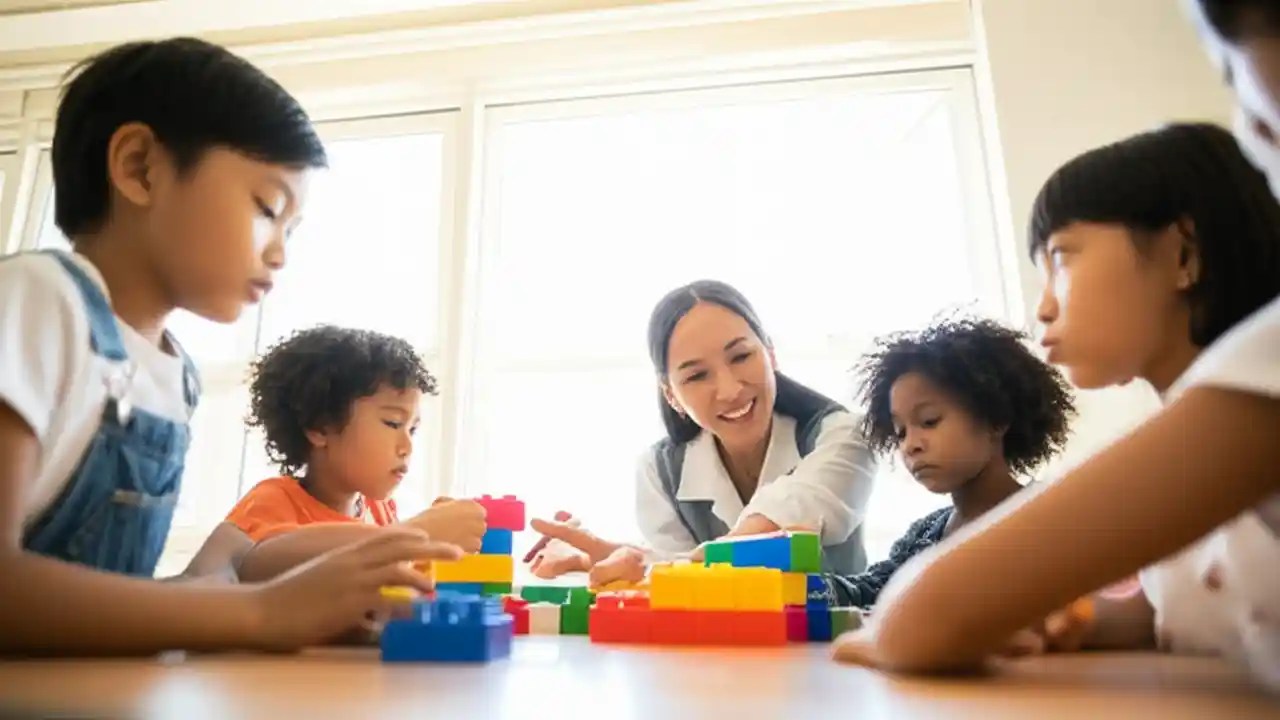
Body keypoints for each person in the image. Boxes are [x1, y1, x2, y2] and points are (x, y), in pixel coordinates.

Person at [0, 38, 457, 656]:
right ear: (139, 167)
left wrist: (309, 613)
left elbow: (119, 600)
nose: (280, 253)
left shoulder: (173, 374)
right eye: (267, 208)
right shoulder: (40, 298)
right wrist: (263, 612)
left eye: (292, 230)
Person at [830, 118, 1280, 689]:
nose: (1043, 307)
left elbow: (919, 618)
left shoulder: (1264, 378)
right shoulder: (1202, 432)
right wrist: (1084, 623)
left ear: (1182, 255)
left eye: (1061, 258)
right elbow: (1163, 610)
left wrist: (905, 625)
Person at [528, 280, 877, 580]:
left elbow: (769, 531)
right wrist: (600, 556)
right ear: (671, 395)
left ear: (770, 354)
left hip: (834, 651)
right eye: (696, 375)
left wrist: (644, 564)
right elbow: (679, 586)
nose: (729, 390)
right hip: (714, 654)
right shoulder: (659, 469)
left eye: (741, 356)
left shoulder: (842, 436)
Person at [191, 326, 486, 583]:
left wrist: (435, 553)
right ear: (321, 427)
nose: (407, 445)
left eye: (413, 429)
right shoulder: (275, 500)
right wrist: (416, 535)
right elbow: (260, 565)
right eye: (393, 423)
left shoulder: (379, 512)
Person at [825, 317, 1074, 607]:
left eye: (929, 421)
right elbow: (870, 592)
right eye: (900, 432)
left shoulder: (1051, 517)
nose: (911, 445)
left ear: (996, 419)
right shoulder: (926, 533)